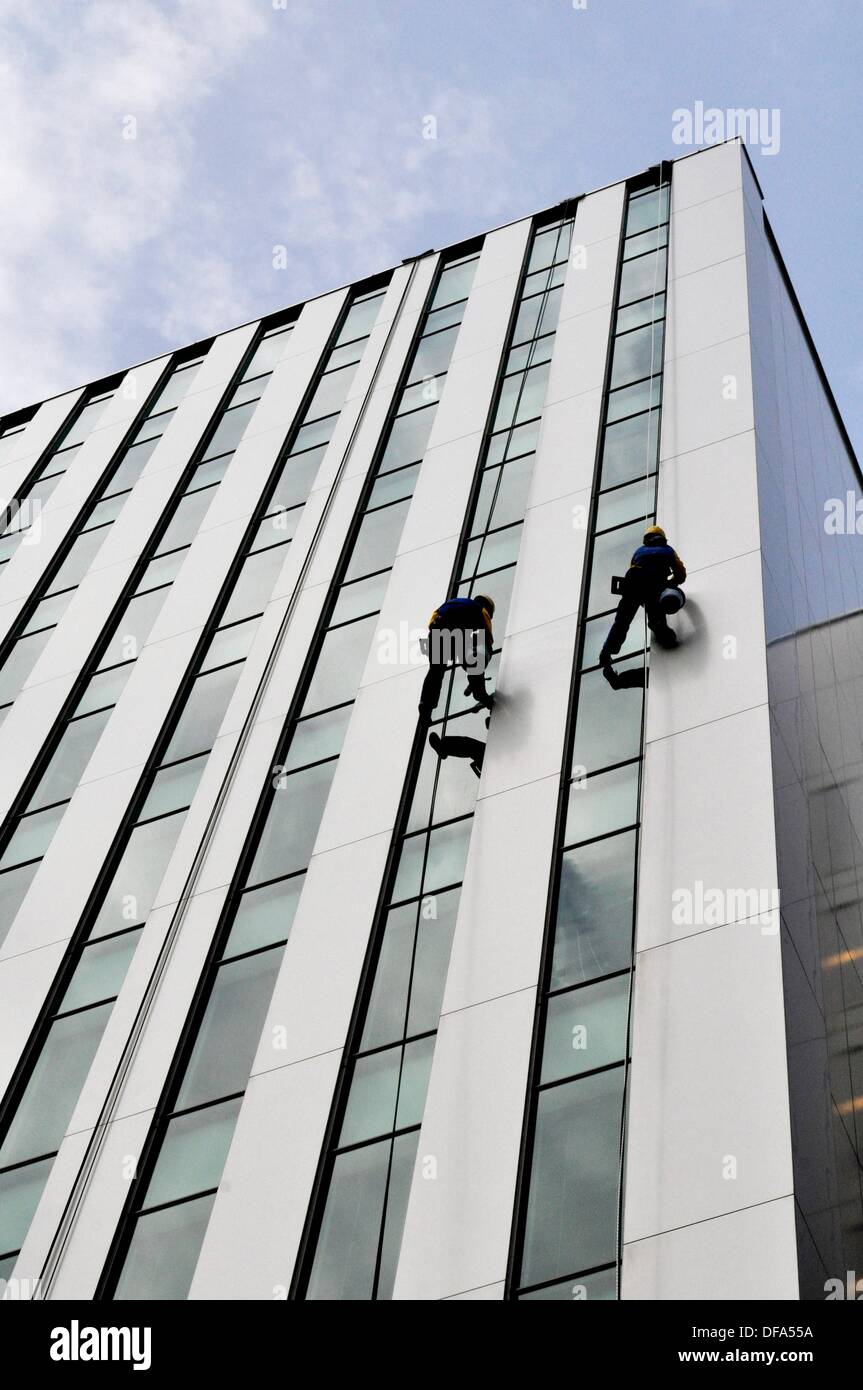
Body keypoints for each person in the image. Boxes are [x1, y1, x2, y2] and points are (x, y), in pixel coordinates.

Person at [598, 525, 686, 681]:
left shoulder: (638, 551)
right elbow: (680, 573)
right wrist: (671, 584)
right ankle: (664, 634)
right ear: (663, 538)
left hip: (633, 582)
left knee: (622, 621)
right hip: (653, 585)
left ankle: (607, 651)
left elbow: (632, 568)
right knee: (655, 617)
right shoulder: (668, 550)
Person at [418, 593, 495, 724]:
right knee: (481, 650)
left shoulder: (452, 603)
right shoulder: (481, 610)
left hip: (437, 633)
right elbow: (487, 639)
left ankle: (426, 705)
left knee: (436, 671)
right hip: (456, 634)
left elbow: (432, 621)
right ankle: (478, 689)